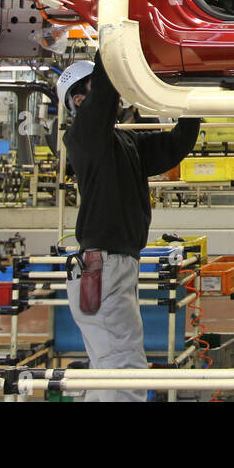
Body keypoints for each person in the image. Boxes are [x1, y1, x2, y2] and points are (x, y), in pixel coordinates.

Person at [59, 54, 202, 402]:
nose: (119, 93)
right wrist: (114, 37)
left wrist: (189, 99)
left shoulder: (124, 143)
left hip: (115, 266)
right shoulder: (83, 138)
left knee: (114, 369)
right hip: (104, 268)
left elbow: (174, 145)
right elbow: (105, 90)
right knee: (123, 372)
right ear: (80, 99)